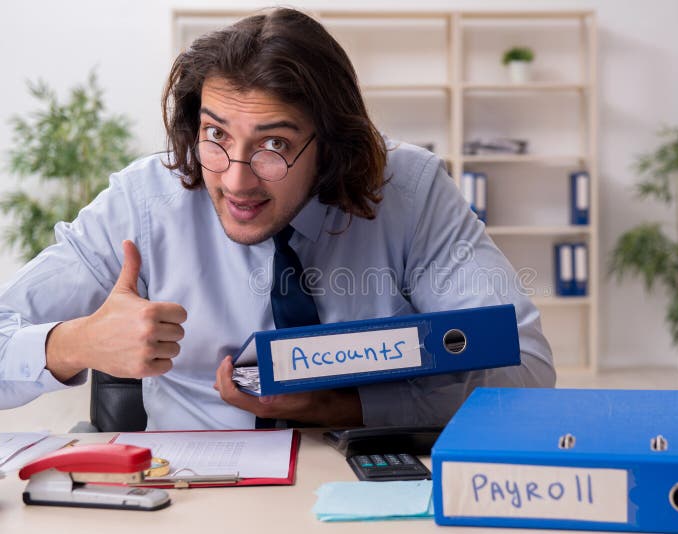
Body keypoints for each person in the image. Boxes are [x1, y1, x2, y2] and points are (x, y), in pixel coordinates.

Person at [0, 8, 554, 429]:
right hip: (195, 496)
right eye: (216, 135)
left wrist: (341, 405)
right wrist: (70, 344)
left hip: (368, 480)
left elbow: (525, 373)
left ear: (332, 144)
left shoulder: (410, 193)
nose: (236, 179)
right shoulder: (144, 201)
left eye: (274, 144)